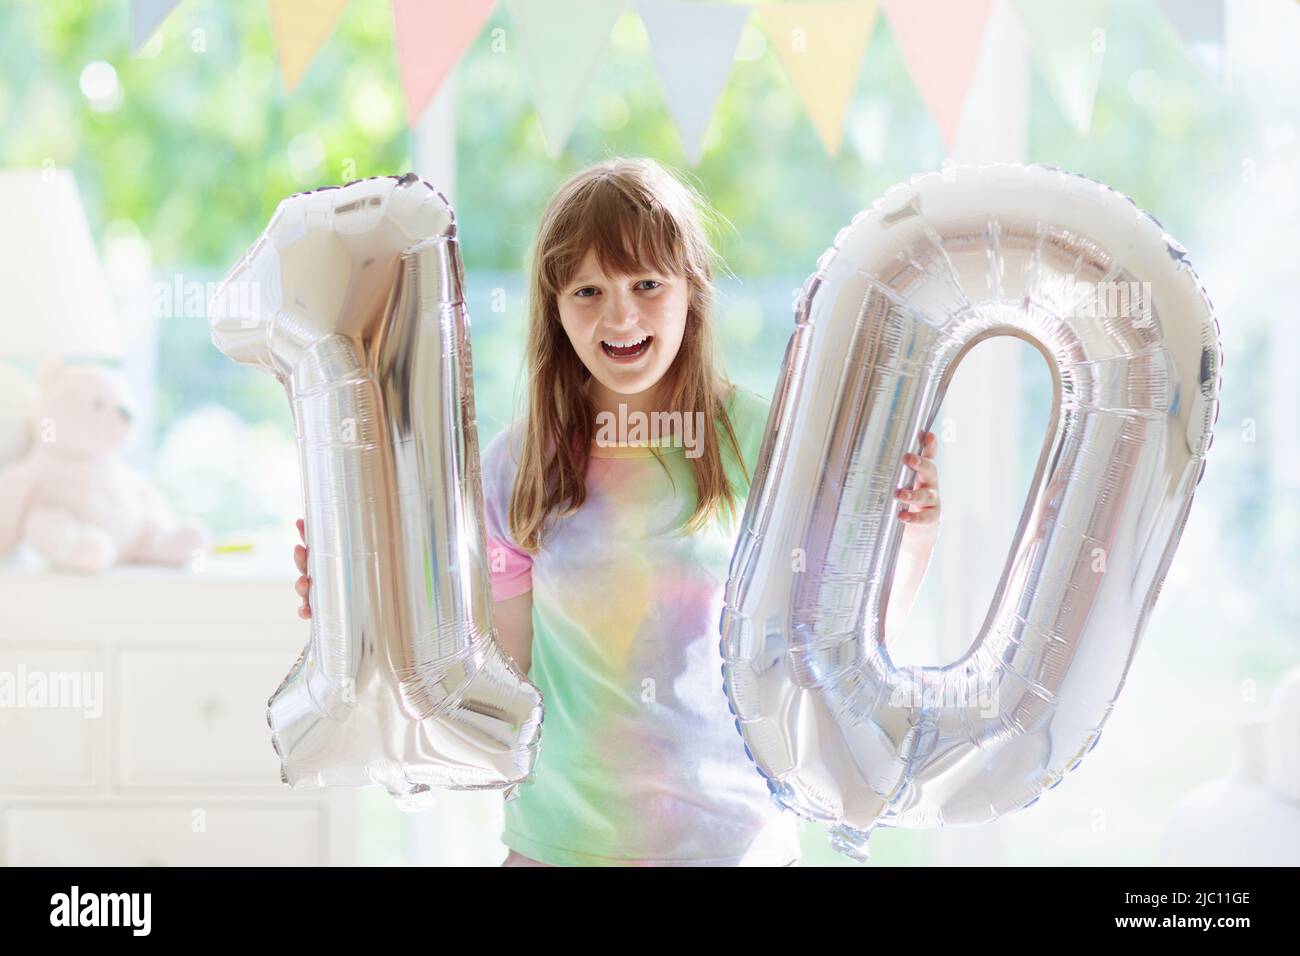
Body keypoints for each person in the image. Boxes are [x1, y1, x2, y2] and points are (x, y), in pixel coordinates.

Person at [294, 157, 942, 866]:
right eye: (588, 290)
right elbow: (501, 674)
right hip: (557, 846)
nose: (620, 314)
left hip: (734, 845)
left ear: (690, 291)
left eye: (646, 284)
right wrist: (356, 604)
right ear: (556, 307)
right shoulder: (519, 470)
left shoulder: (763, 445)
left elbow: (844, 641)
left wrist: (912, 532)